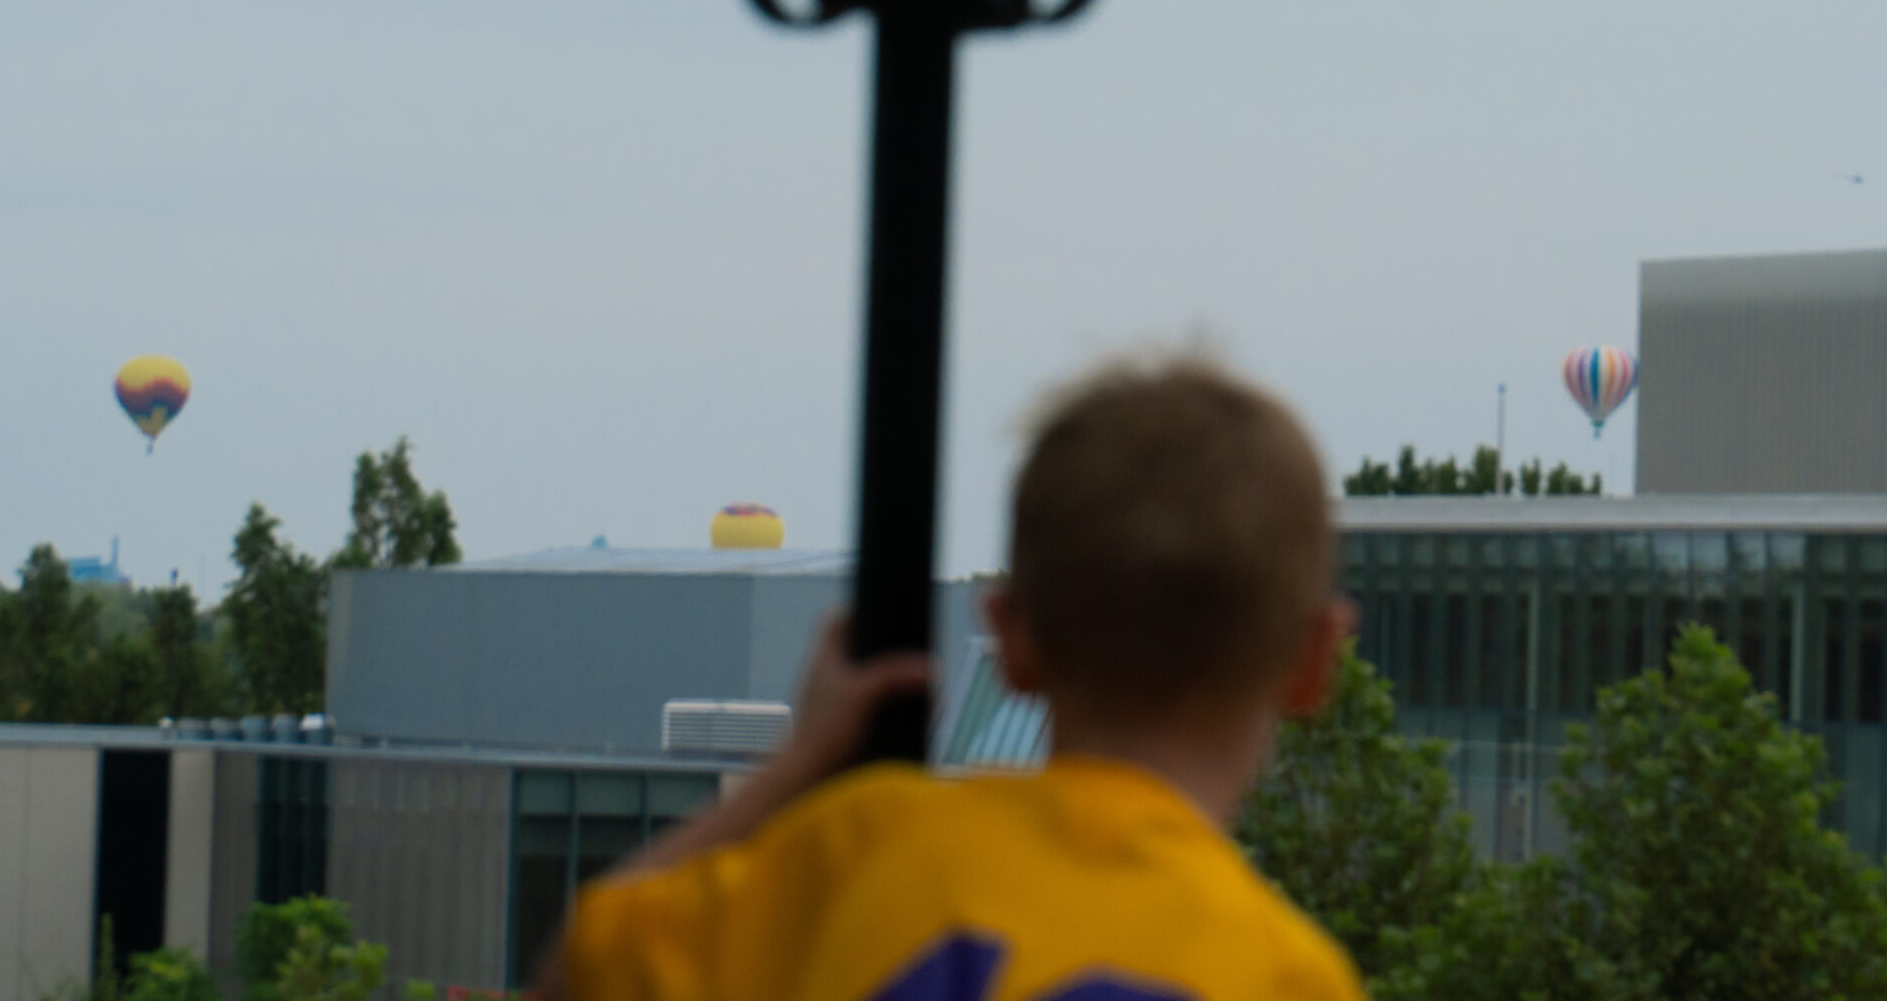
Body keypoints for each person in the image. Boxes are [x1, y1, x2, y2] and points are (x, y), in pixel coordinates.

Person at [549, 356, 1363, 1001]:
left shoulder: (861, 848)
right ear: (1315, 661)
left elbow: (577, 971)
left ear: (1009, 639)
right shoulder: (1292, 977)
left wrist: (798, 763)